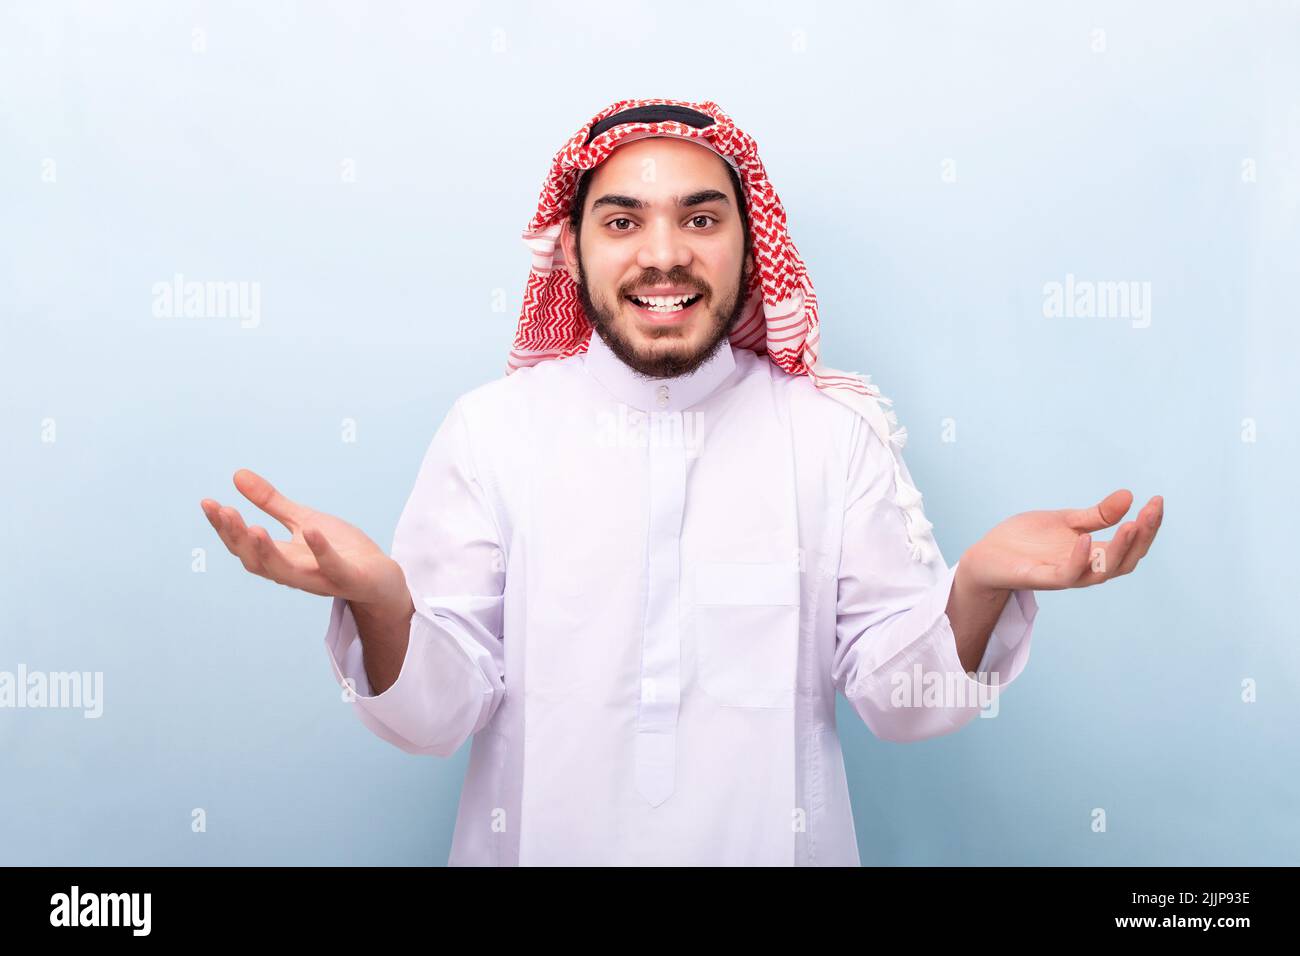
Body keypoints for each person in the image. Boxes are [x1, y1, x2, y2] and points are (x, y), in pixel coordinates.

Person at [200, 98, 1163, 866]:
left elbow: (899, 700)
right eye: (623, 221)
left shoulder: (832, 437)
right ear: (573, 251)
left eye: (700, 218)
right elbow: (435, 715)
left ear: (750, 243)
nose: (663, 254)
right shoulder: (494, 435)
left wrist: (979, 586)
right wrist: (383, 604)